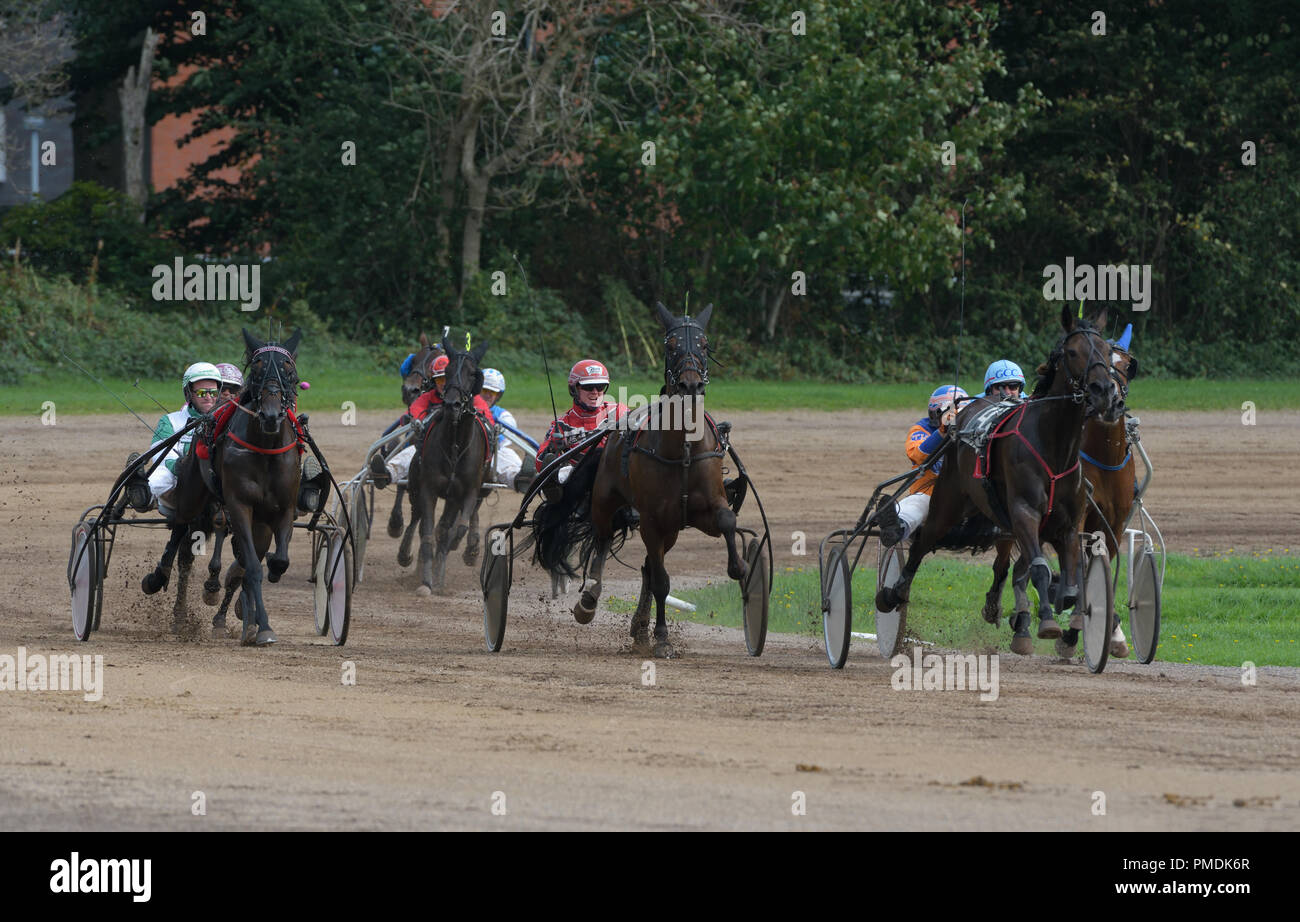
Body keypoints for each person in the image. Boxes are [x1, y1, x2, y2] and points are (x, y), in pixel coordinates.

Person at [370, 354, 491, 487]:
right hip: (432, 450)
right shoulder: (427, 398)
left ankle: (515, 476)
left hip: (465, 453)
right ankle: (386, 474)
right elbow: (414, 412)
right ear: (433, 382)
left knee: (499, 457)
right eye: (440, 380)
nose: (445, 384)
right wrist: (414, 419)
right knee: (412, 453)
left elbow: (485, 416)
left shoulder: (470, 398)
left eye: (447, 379)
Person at [875, 384, 967, 547]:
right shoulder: (921, 429)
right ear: (936, 414)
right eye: (950, 414)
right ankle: (897, 526)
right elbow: (917, 455)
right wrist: (941, 433)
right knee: (918, 504)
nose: (956, 419)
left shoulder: (975, 432)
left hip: (967, 495)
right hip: (931, 493)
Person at [124, 362, 221, 515]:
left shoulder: (227, 420)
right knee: (160, 475)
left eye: (213, 393)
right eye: (202, 393)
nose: (209, 398)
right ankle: (143, 495)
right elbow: (160, 452)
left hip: (216, 484)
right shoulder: (170, 421)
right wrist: (180, 468)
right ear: (189, 393)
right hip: (179, 483)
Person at [535, 359, 629, 486]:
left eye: (600, 387)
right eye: (588, 387)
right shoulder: (562, 425)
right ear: (574, 389)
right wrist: (553, 448)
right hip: (580, 487)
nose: (595, 392)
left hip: (617, 482)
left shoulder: (618, 412)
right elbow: (540, 462)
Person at [480, 368, 536, 493]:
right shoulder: (466, 411)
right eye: (484, 390)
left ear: (498, 395)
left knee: (507, 454)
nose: (488, 395)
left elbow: (499, 444)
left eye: (492, 392)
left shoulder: (503, 416)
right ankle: (519, 478)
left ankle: (525, 478)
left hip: (493, 452)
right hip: (473, 455)